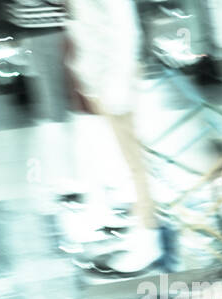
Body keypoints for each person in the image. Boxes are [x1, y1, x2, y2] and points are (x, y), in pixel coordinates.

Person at [64, 0, 162, 274]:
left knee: (132, 166)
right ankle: (138, 233)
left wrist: (116, 83)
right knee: (119, 162)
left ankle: (148, 241)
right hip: (98, 78)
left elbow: (125, 27)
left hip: (114, 79)